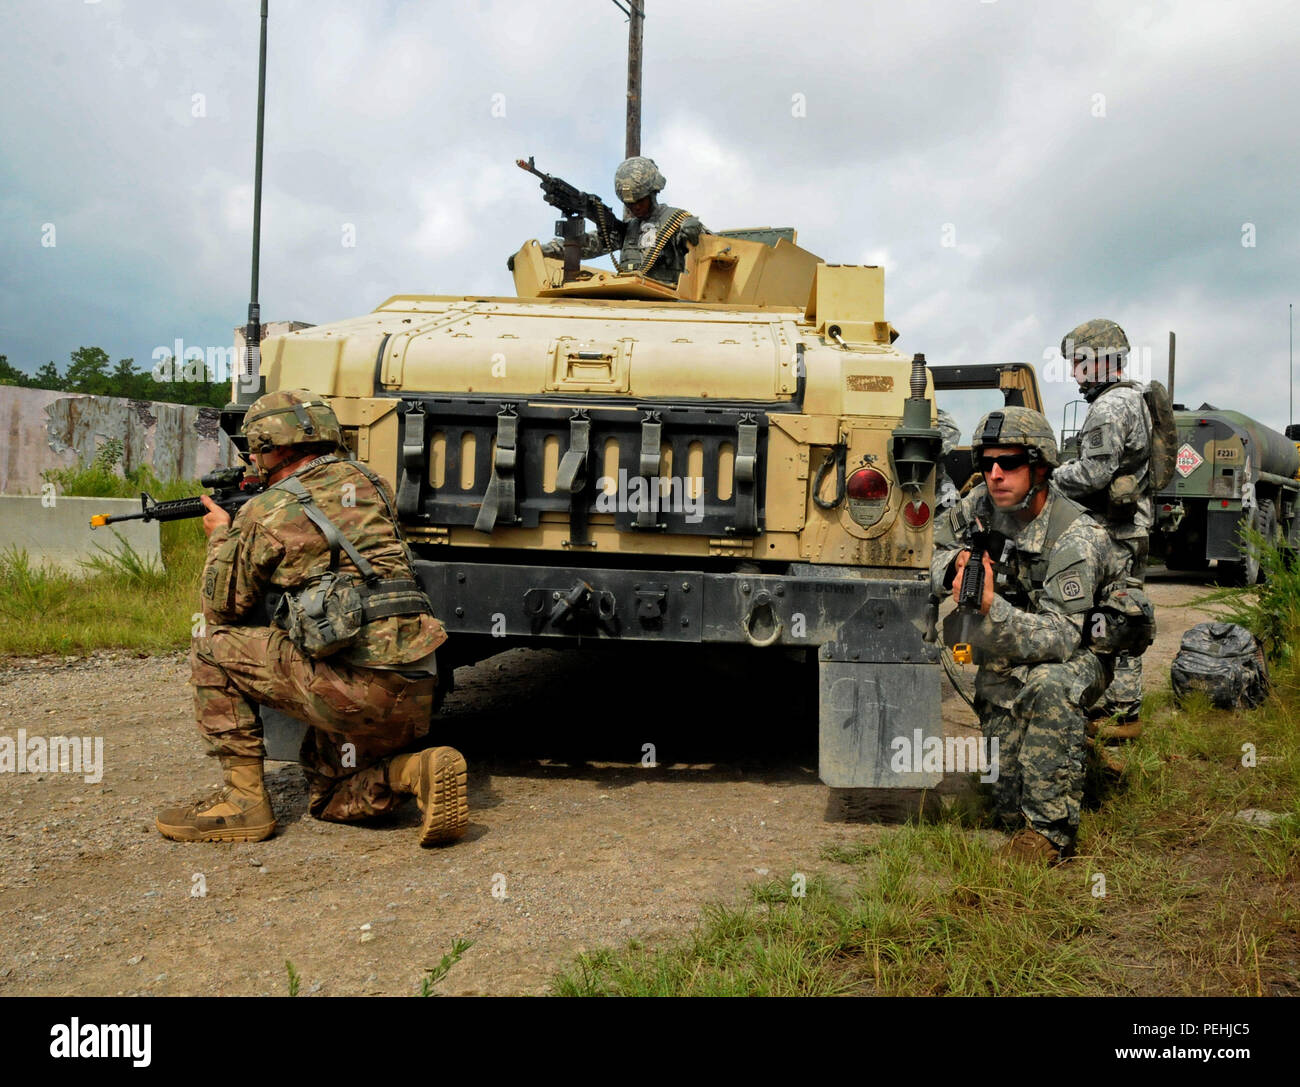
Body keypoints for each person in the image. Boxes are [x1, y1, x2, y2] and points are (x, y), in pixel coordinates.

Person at [156, 389, 468, 847]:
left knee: (210, 642)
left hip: (354, 690)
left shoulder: (269, 509)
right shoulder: (372, 484)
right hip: (415, 683)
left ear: (274, 447)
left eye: (256, 448)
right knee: (330, 797)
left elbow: (222, 606)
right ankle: (413, 771)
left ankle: (244, 805)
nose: (253, 458)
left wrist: (222, 536)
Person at [933, 407, 1126, 864]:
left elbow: (1060, 639)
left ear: (1040, 468)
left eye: (1011, 463)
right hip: (1016, 641)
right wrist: (953, 569)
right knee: (1004, 806)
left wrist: (989, 610)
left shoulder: (1075, 536)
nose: (995, 475)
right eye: (987, 464)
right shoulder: (981, 503)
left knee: (1049, 685)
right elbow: (936, 547)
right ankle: (1068, 761)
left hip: (1079, 649)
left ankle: (1050, 832)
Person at [1050, 318, 1151, 735]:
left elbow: (1093, 474)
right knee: (1121, 611)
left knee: (1109, 615)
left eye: (1076, 362)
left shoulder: (1109, 407)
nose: (1073, 371)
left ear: (1096, 361)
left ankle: (1116, 709)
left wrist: (1048, 475)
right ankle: (1121, 706)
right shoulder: (1134, 399)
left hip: (1113, 531)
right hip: (1132, 526)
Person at [537, 157, 707, 286]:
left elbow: (714, 249)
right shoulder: (627, 230)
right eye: (629, 204)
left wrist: (695, 233)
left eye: (640, 201)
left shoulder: (677, 220)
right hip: (630, 300)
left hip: (670, 302)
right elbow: (588, 245)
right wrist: (538, 252)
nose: (636, 208)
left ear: (653, 193)